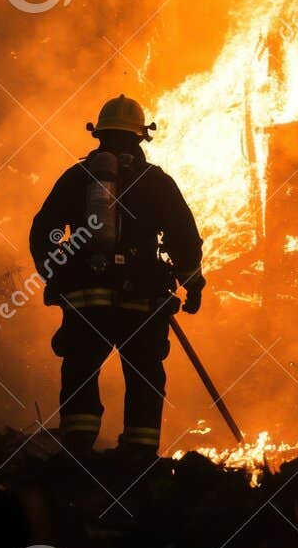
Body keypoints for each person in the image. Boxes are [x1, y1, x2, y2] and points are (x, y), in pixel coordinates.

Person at [28, 95, 204, 458]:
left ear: (99, 134)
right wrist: (192, 284)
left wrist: (57, 273)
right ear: (141, 137)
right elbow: (183, 238)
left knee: (80, 372)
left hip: (85, 301)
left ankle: (78, 451)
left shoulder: (76, 179)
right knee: (144, 375)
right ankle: (138, 457)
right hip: (141, 301)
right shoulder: (157, 183)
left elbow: (43, 230)